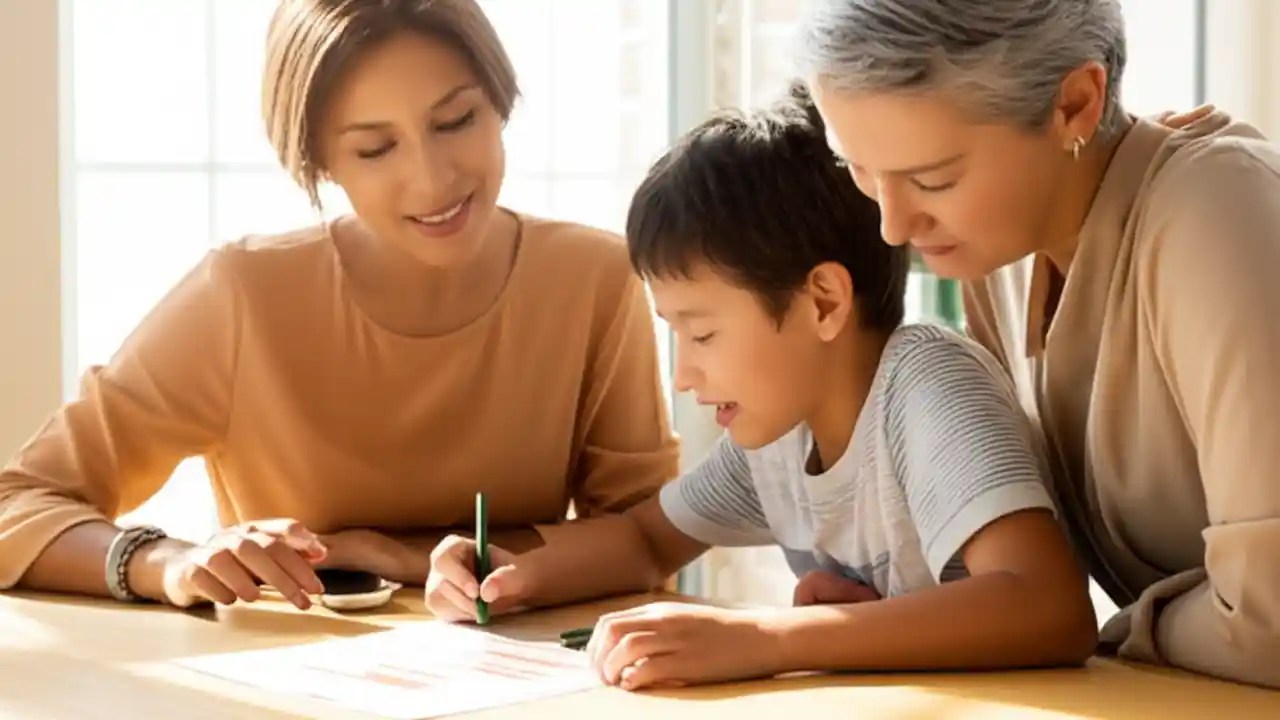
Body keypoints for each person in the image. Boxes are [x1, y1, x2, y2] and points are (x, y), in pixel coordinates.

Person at [0, 0, 678, 610]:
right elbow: (17, 505)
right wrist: (165, 561)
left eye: (456, 120)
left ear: (500, 102)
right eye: (375, 148)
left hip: (531, 685)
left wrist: (397, 556)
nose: (433, 178)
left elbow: (651, 538)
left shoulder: (592, 279)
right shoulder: (246, 295)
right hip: (289, 682)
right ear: (320, 160)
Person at [425, 86, 1097, 691]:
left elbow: (1049, 607)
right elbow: (646, 541)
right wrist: (507, 573)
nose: (684, 375)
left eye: (703, 334)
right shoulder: (780, 436)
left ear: (824, 302)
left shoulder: (926, 383)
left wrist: (766, 638)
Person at [798, 0, 1280, 689]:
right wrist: (915, 615)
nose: (894, 228)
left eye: (935, 179)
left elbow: (1271, 624)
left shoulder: (1217, 210)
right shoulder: (1003, 259)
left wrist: (1097, 633)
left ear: (1076, 104)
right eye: (862, 172)